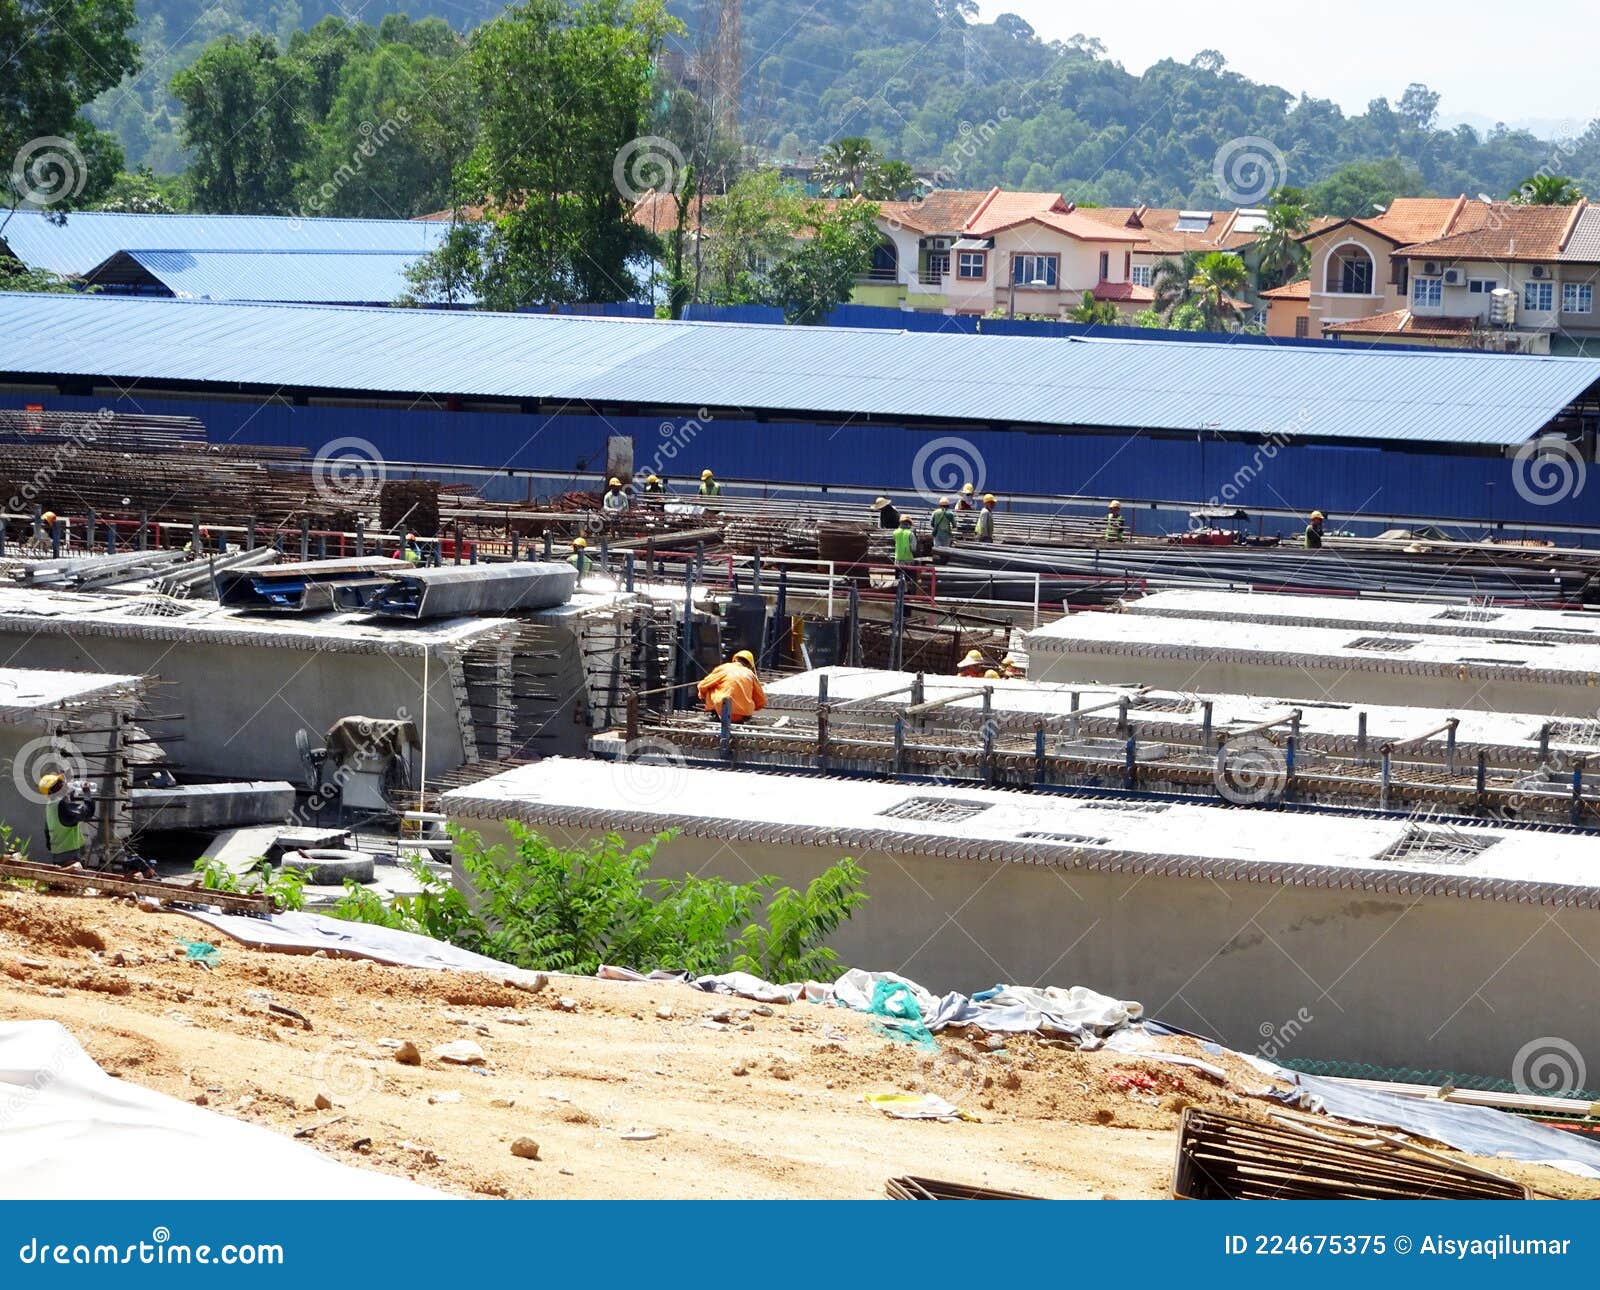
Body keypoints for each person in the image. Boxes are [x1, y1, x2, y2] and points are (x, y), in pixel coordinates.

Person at [39, 774, 93, 867]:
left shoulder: (50, 805)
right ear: (53, 790)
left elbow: (47, 830)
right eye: (59, 784)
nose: (64, 784)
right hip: (70, 854)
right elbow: (87, 813)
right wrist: (87, 794)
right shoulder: (62, 805)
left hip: (58, 854)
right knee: (72, 875)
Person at [697, 649, 766, 723]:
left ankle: (713, 714)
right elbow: (761, 700)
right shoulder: (750, 674)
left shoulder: (724, 668)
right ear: (749, 665)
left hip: (721, 711)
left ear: (735, 659)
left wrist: (702, 696)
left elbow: (702, 685)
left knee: (710, 686)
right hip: (742, 715)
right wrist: (750, 708)